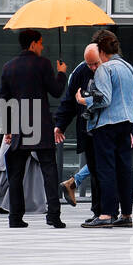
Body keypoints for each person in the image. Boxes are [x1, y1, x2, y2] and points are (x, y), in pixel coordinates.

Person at [0, 29, 68, 229]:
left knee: (15, 175)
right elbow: (56, 91)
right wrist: (61, 73)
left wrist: (8, 128)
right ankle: (53, 216)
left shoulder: (8, 67)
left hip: (19, 127)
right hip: (41, 125)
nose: (42, 46)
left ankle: (15, 217)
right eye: (41, 42)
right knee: (49, 171)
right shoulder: (43, 64)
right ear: (33, 44)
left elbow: (4, 100)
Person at [80, 29, 133, 229]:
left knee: (106, 169)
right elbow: (132, 99)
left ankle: (106, 214)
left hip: (107, 125)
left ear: (101, 50)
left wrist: (84, 100)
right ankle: (126, 214)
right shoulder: (129, 67)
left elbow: (103, 99)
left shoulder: (105, 68)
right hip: (127, 122)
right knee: (124, 169)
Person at [55, 43, 102, 222]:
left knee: (101, 169)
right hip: (88, 127)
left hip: (105, 127)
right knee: (97, 169)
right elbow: (68, 100)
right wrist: (60, 124)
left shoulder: (110, 68)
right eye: (89, 63)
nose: (92, 67)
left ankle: (103, 210)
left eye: (95, 63)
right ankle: (98, 212)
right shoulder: (80, 71)